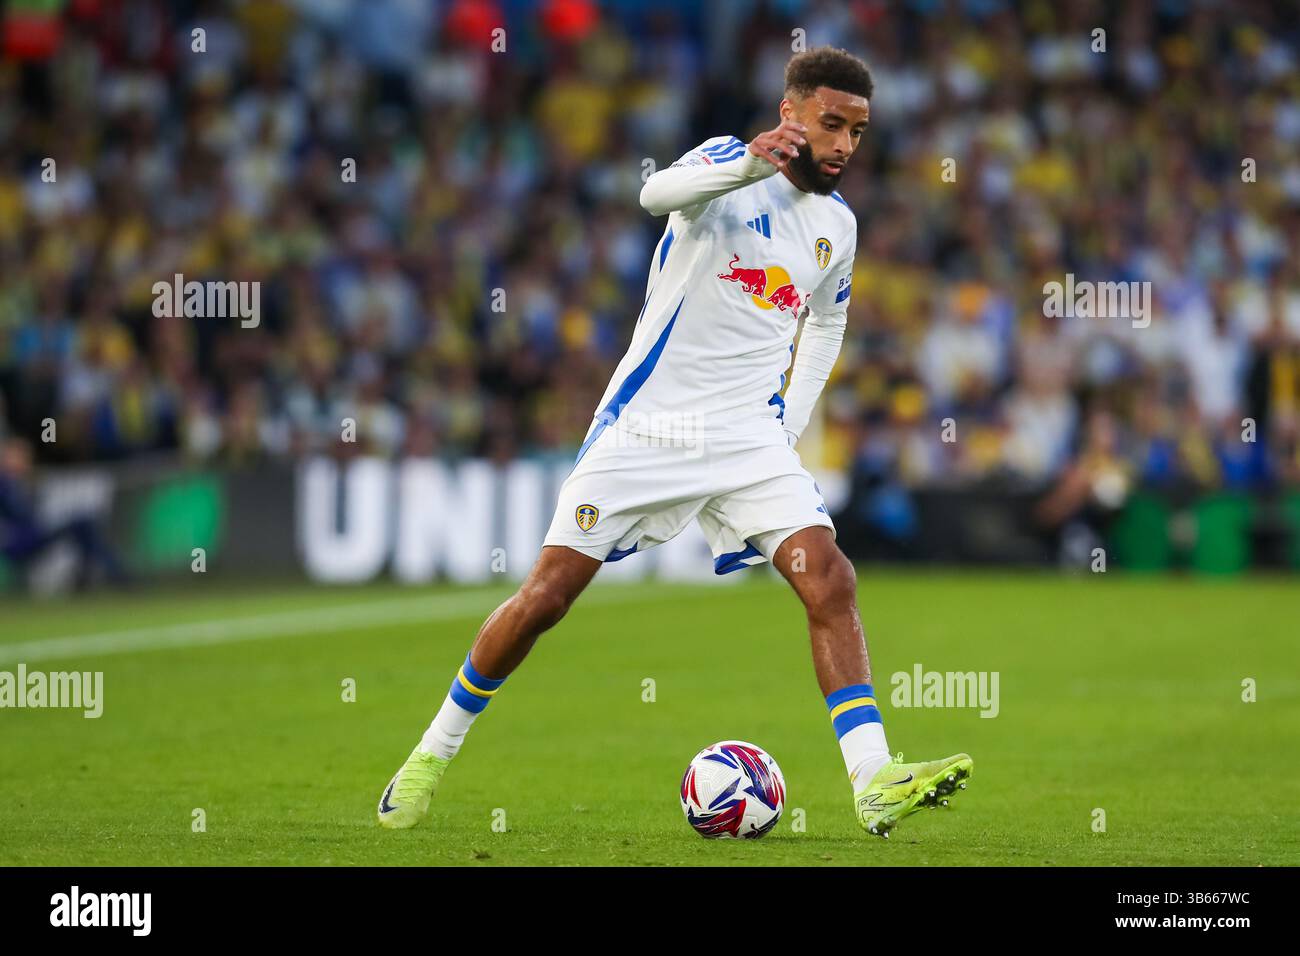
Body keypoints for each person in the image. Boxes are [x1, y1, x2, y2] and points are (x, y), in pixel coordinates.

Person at [378, 48, 971, 838]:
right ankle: (429, 756)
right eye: (832, 125)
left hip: (749, 437)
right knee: (546, 598)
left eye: (858, 133)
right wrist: (747, 165)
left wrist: (788, 423)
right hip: (651, 426)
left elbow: (826, 322)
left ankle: (873, 779)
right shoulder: (727, 162)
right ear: (792, 112)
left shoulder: (838, 227)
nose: (844, 147)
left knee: (829, 577)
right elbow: (655, 191)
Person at [0, 438, 129, 591]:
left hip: (29, 535)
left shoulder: (15, 482)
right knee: (82, 525)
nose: (25, 462)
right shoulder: (5, 483)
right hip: (18, 541)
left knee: (82, 527)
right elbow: (21, 515)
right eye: (20, 457)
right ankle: (114, 574)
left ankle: (95, 575)